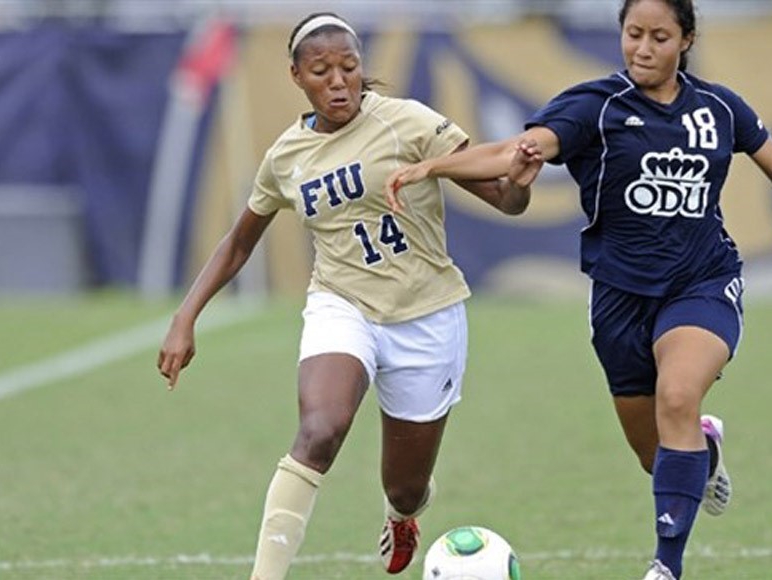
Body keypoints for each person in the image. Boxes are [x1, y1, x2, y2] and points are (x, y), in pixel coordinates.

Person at [385, 1, 772, 578]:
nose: (643, 48)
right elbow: (515, 152)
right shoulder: (593, 106)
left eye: (659, 36)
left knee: (677, 396)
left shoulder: (720, 108)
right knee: (658, 458)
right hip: (619, 300)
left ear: (686, 40)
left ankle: (664, 567)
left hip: (702, 282)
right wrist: (433, 168)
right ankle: (707, 451)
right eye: (633, 34)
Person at [157, 12, 540, 580]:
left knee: (406, 486)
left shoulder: (408, 123)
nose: (338, 81)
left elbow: (504, 200)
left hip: (427, 314)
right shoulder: (285, 157)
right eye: (321, 70)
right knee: (319, 432)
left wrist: (520, 186)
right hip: (342, 306)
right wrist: (185, 318)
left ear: (363, 68)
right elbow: (239, 243)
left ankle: (402, 516)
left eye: (349, 67)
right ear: (297, 77)